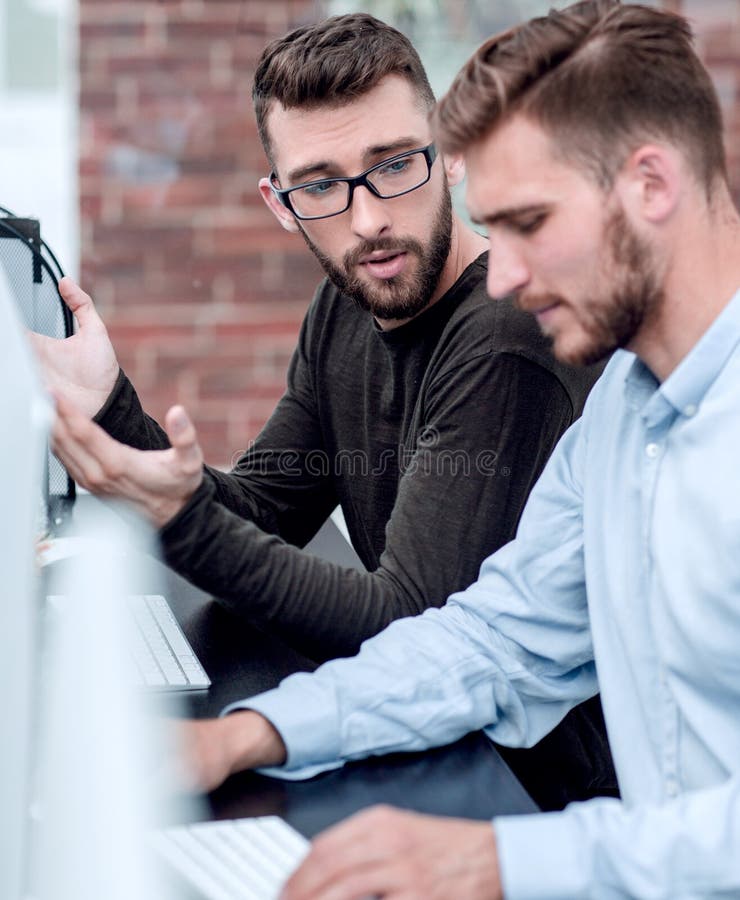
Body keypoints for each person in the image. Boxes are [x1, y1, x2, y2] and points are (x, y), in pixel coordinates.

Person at [129, 1, 740, 897]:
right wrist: (249, 734)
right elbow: (490, 643)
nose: (507, 273)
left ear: (650, 185)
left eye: (529, 222)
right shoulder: (620, 414)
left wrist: (500, 861)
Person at [36, 13, 613, 809]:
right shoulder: (348, 304)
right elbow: (268, 508)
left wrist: (177, 517)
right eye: (321, 185)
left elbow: (403, 626)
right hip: (404, 744)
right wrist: (109, 402)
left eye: (394, 167)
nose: (369, 218)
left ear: (446, 154)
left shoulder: (506, 337)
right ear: (280, 203)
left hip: (523, 792)